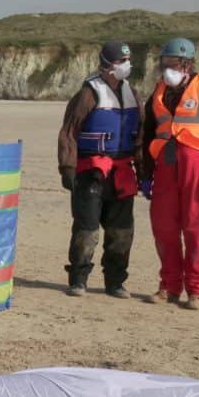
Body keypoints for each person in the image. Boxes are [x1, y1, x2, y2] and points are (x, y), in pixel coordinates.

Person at [139, 37, 199, 311]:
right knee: (164, 229)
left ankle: (197, 290)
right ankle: (169, 286)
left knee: (197, 230)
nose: (167, 67)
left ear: (187, 64)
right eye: (164, 62)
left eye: (173, 62)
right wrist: (146, 174)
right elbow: (147, 137)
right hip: (165, 168)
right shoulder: (157, 93)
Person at [57, 40, 141, 299]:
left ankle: (115, 281)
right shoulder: (88, 94)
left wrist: (145, 170)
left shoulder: (133, 94)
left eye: (127, 61)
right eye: (120, 62)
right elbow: (69, 131)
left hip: (123, 170)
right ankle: (78, 279)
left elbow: (141, 136)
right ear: (106, 65)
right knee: (87, 228)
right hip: (91, 170)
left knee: (122, 230)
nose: (125, 66)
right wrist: (67, 167)